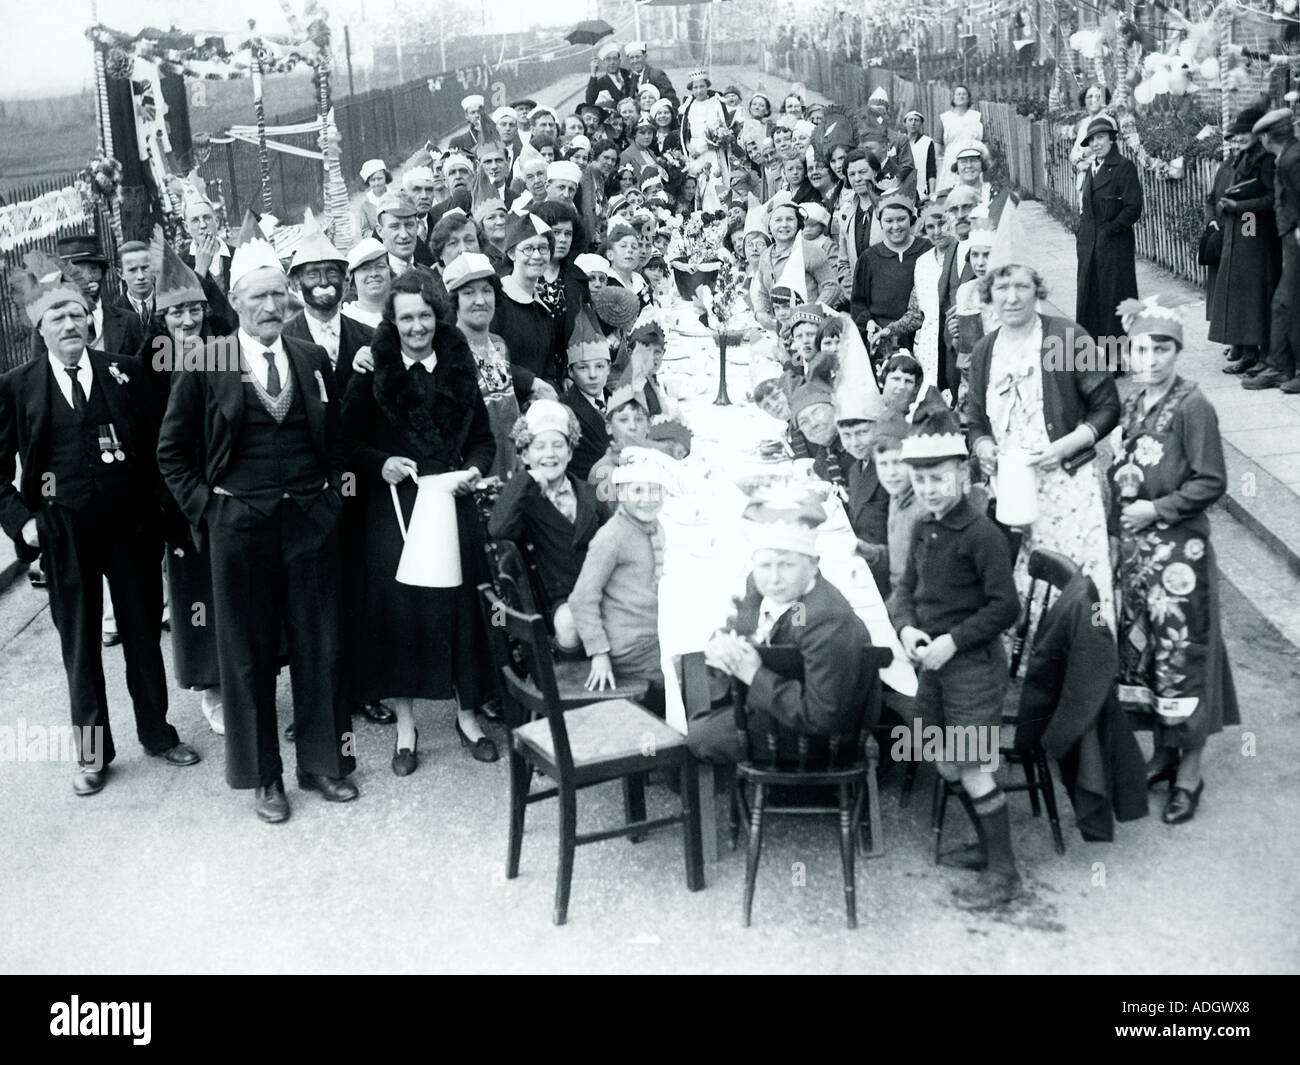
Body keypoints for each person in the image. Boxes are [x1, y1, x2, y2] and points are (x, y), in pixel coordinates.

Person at [157, 233, 358, 823]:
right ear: (236, 305)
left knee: (321, 644)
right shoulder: (205, 363)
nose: (271, 308)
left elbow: (337, 438)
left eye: (279, 296)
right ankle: (264, 776)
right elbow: (171, 454)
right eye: (258, 299)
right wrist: (209, 509)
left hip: (309, 524)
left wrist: (332, 500)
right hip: (238, 530)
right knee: (246, 654)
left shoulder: (310, 358)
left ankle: (323, 762)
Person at [0, 254, 198, 796]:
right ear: (39, 329)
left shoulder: (125, 372)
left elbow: (161, 448)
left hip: (130, 529)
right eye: (56, 319)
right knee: (81, 647)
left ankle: (158, 733)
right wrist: (24, 522)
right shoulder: (17, 388)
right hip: (64, 532)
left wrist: (165, 517)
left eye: (76, 315)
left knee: (141, 636)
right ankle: (93, 755)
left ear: (90, 318)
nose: (69, 326)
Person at [340, 270, 498, 775]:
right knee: (400, 615)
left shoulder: (458, 362)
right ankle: (406, 727)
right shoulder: (370, 369)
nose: (416, 327)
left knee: (465, 609)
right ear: (393, 320)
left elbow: (483, 438)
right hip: (395, 509)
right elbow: (344, 443)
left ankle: (468, 716)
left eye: (424, 316)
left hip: (452, 501)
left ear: (438, 315)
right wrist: (379, 463)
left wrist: (475, 468)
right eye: (406, 317)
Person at [1110, 296, 1239, 824]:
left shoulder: (1192, 405)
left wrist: (1158, 509)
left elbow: (1212, 481)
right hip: (1139, 554)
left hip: (1180, 553)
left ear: (1177, 351)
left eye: (1161, 348)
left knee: (1183, 655)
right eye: (1142, 348)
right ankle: (1162, 754)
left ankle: (1190, 772)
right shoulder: (1135, 402)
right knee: (1146, 653)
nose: (1151, 358)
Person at [892, 404, 1021, 909]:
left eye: (940, 479)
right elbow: (905, 590)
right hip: (933, 663)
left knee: (971, 766)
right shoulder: (926, 526)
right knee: (943, 761)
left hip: (971, 668)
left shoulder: (982, 535)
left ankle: (1004, 871)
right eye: (921, 481)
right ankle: (989, 846)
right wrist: (905, 630)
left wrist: (953, 641)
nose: (929, 489)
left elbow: (1004, 608)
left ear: (963, 476)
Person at [965, 260, 1120, 627]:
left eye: (1022, 287)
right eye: (1002, 289)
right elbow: (975, 419)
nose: (1012, 298)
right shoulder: (986, 350)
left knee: (1080, 577)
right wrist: (984, 446)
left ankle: (1091, 653)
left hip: (1067, 483)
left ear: (1038, 291)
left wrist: (1064, 447)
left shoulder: (1065, 338)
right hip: (1013, 488)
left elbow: (1107, 408)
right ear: (989, 295)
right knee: (1025, 574)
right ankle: (1037, 657)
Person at [687, 491, 872, 765]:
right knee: (694, 685)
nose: (774, 579)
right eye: (765, 565)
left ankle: (791, 785)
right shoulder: (780, 594)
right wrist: (723, 641)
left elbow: (823, 716)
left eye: (787, 564)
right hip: (787, 694)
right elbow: (747, 625)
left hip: (815, 736)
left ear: (813, 565)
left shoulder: (826, 620)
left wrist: (753, 674)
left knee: (700, 734)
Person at [144, 240, 230, 736]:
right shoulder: (149, 364)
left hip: (226, 492)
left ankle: (245, 681)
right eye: (176, 314)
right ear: (162, 319)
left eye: (194, 310)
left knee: (236, 594)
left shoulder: (223, 352)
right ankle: (211, 688)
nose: (186, 321)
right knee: (196, 599)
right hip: (181, 504)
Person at [489, 399, 610, 651]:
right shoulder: (524, 501)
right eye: (539, 446)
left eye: (558, 445)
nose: (550, 454)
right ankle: (574, 680)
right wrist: (527, 478)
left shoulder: (589, 494)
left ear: (571, 451)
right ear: (524, 454)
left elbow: (614, 537)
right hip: (559, 600)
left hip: (603, 589)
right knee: (570, 624)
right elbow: (498, 528)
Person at [569, 446, 676, 703]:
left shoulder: (653, 525)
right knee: (690, 674)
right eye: (638, 490)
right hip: (631, 647)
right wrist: (598, 652)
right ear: (621, 493)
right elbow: (581, 598)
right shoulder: (612, 537)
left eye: (655, 489)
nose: (648, 498)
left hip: (656, 630)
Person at [1209, 106, 1280, 379]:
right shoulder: (1244, 157)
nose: (1238, 138)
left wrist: (1239, 206)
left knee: (1252, 292)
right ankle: (1243, 347)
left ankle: (1252, 353)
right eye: (1236, 134)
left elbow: (1269, 200)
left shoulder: (1265, 161)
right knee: (1241, 291)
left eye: (1243, 132)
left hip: (1254, 233)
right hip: (1241, 230)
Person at [446, 252, 519, 480]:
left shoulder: (499, 344)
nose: (480, 300)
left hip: (511, 476)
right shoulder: (447, 351)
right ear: (454, 301)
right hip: (474, 477)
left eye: (487, 290)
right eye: (468, 293)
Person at [1075, 114, 1143, 356]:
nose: (1096, 144)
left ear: (1112, 139)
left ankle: (1116, 358)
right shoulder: (1091, 169)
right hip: (1089, 246)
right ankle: (1091, 353)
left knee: (1114, 300)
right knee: (1090, 298)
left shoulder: (1124, 167)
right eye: (1092, 140)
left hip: (1114, 245)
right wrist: (1082, 234)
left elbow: (1133, 208)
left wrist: (1110, 229)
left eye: (1101, 137)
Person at [1243, 107, 1300, 392]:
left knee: (1285, 302)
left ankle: (1284, 367)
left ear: (1266, 138)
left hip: (1296, 238)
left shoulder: (1292, 159)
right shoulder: (1287, 156)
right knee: (1287, 303)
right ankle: (1283, 366)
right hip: (1290, 237)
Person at [491, 212, 564, 401]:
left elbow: (548, 369)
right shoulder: (497, 302)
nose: (537, 256)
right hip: (501, 405)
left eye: (543, 248)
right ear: (511, 253)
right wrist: (529, 382)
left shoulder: (543, 309)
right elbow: (487, 361)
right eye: (528, 249)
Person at [851, 193, 928, 363]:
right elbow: (858, 302)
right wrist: (869, 323)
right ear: (880, 222)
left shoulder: (926, 250)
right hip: (882, 336)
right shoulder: (869, 258)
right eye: (889, 221)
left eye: (901, 219)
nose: (895, 226)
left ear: (911, 219)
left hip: (922, 335)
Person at [752, 198, 840, 332]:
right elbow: (763, 291)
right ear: (769, 224)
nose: (784, 224)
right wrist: (760, 312)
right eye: (778, 220)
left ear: (799, 223)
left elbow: (832, 286)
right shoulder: (765, 256)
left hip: (809, 330)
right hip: (779, 329)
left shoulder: (811, 251)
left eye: (790, 219)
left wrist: (809, 314)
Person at [55, 235, 146, 358]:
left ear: (102, 272)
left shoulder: (131, 321)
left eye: (93, 269)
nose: (88, 277)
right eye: (77, 272)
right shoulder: (49, 326)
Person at [561, 307, 614, 480]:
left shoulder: (617, 400)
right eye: (583, 367)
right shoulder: (565, 412)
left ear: (609, 368)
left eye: (599, 366)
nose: (593, 375)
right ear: (570, 372)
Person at [912, 201, 951, 391]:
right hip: (930, 341)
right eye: (930, 227)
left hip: (954, 335)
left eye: (941, 224)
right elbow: (918, 310)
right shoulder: (922, 262)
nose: (937, 231)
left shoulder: (962, 254)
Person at [835, 148, 884, 294]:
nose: (857, 179)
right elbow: (843, 262)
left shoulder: (891, 204)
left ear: (875, 172)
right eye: (851, 174)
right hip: (860, 299)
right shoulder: (846, 213)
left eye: (862, 172)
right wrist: (854, 295)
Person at [938, 84, 983, 193]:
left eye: (964, 94)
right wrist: (937, 161)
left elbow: (983, 141)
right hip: (951, 158)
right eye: (958, 94)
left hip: (972, 159)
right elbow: (938, 142)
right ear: (953, 98)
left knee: (973, 191)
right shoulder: (945, 118)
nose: (961, 96)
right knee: (951, 191)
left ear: (968, 98)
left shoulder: (976, 116)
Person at [1068, 85, 1112, 194]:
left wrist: (1084, 163)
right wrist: (1081, 157)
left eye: (1098, 96)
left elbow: (1106, 154)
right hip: (1083, 182)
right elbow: (1073, 154)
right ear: (1084, 101)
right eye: (1090, 96)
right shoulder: (1084, 124)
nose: (1094, 100)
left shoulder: (1108, 122)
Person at [341, 237, 391, 329]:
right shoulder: (345, 320)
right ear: (353, 277)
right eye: (365, 269)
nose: (374, 273)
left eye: (380, 266)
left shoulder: (402, 314)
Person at [625, 40, 677, 108]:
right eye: (631, 58)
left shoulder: (657, 75)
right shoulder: (630, 78)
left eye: (638, 57)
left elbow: (672, 101)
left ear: (645, 56)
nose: (635, 61)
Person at [116, 240, 156, 325]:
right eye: (132, 270)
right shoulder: (114, 315)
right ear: (121, 274)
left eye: (145, 268)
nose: (140, 276)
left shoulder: (172, 306)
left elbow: (180, 337)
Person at [903, 109, 938, 202]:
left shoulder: (927, 142)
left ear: (921, 124)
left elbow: (931, 169)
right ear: (905, 123)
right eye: (910, 120)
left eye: (916, 120)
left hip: (922, 190)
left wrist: (932, 192)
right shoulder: (900, 142)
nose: (913, 123)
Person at [355, 159, 391, 238]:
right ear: (368, 182)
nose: (377, 183)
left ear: (386, 177)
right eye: (373, 180)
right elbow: (364, 232)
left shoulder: (394, 195)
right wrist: (379, 235)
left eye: (380, 178)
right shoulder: (365, 203)